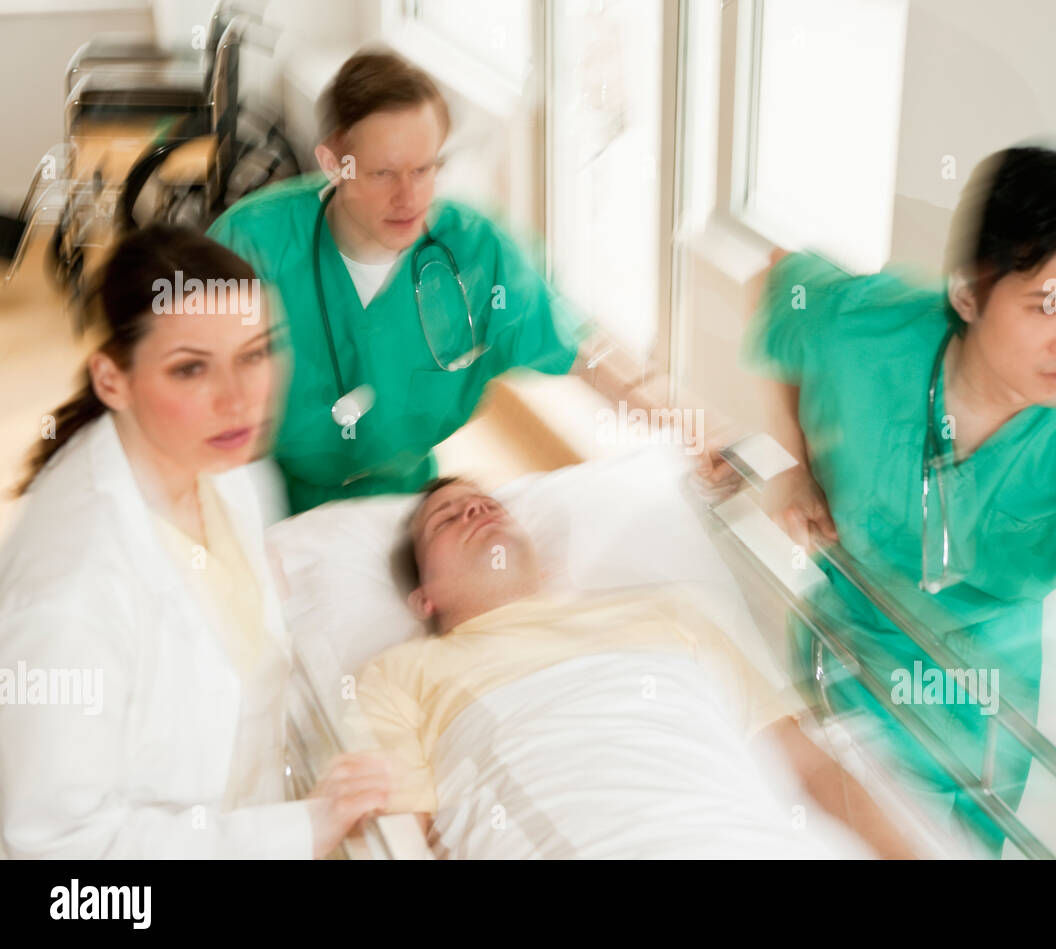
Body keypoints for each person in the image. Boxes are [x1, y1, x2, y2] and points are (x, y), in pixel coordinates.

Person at [730, 146, 1056, 858]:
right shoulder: (868, 333)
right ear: (967, 293)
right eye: (1048, 303)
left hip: (983, 713)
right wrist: (793, 462)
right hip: (842, 657)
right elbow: (775, 278)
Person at [0, 226, 389, 858]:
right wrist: (301, 831)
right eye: (190, 368)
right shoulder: (68, 600)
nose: (239, 399)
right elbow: (63, 863)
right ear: (113, 380)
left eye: (255, 353)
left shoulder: (224, 466)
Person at [356, 477, 918, 859]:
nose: (474, 508)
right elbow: (409, 836)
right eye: (446, 520)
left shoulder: (664, 611)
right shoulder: (403, 672)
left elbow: (814, 768)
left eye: (486, 502)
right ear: (424, 598)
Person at [208, 49, 585, 514]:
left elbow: (569, 341)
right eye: (382, 172)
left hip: (403, 506)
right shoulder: (250, 242)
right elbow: (181, 376)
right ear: (332, 162)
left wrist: (682, 429)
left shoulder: (474, 249)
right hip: (265, 496)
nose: (408, 197)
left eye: (423, 169)